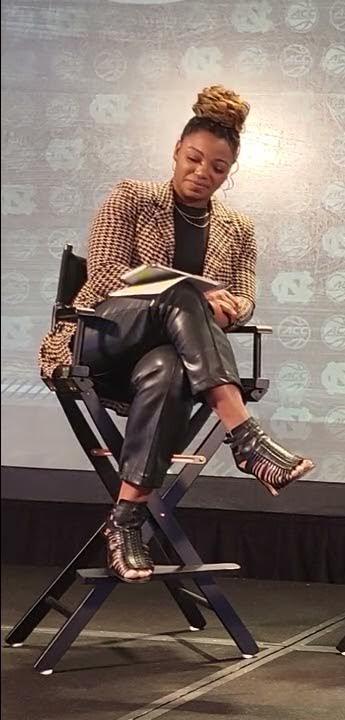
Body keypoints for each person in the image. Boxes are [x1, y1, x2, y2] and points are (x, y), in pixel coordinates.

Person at [36, 86, 316, 583]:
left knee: (167, 370)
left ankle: (125, 526)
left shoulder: (239, 228)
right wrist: (182, 290)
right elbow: (102, 278)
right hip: (102, 339)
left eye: (217, 168)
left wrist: (231, 307)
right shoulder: (133, 198)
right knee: (185, 297)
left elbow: (246, 296)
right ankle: (246, 437)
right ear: (176, 151)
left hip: (167, 360)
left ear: (229, 173)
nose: (202, 173)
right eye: (193, 159)